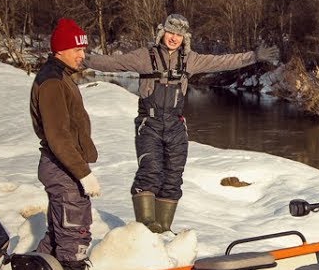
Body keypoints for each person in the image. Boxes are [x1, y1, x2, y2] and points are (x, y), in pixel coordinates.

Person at [85, 13, 277, 234]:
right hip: (150, 124)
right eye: (170, 32)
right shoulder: (145, 56)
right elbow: (112, 63)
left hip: (176, 126)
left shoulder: (190, 60)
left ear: (184, 37)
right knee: (150, 171)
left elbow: (222, 61)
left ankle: (163, 230)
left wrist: (254, 56)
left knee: (173, 177)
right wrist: (83, 59)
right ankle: (145, 228)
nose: (174, 38)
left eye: (178, 34)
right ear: (162, 32)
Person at [30, 18, 101, 270]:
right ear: (60, 50)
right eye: (77, 50)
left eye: (83, 49)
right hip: (62, 167)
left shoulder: (61, 76)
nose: (82, 55)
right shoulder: (52, 82)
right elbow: (58, 136)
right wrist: (83, 174)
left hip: (64, 165)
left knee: (59, 233)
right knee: (74, 236)